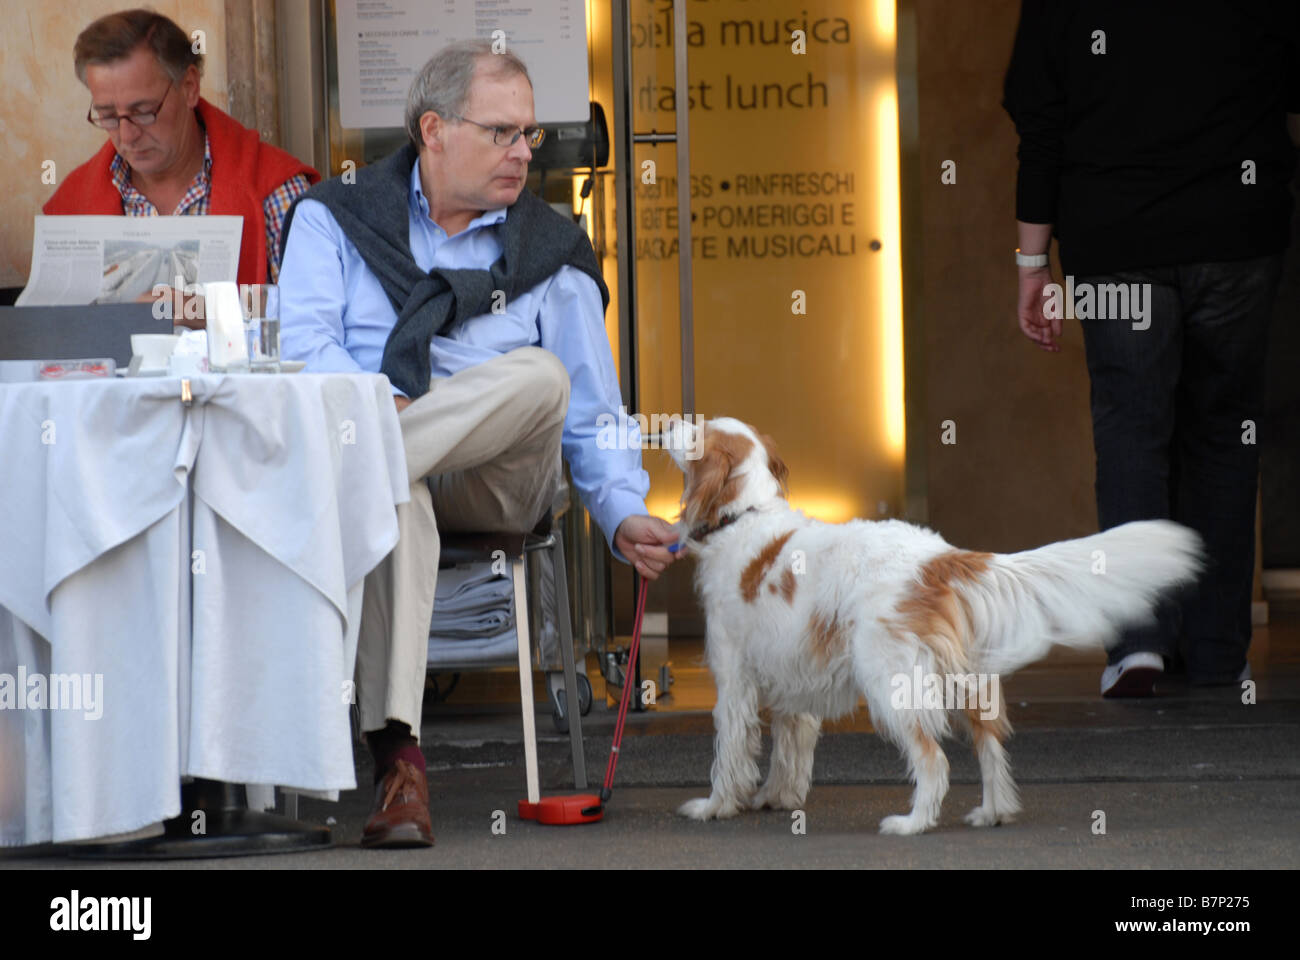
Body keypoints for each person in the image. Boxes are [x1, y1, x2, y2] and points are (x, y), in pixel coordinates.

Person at [277, 40, 679, 847]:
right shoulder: (335, 219)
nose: (523, 152)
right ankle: (400, 764)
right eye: (501, 132)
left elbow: (591, 406)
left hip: (500, 473)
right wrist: (375, 400)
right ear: (433, 129)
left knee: (536, 375)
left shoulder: (549, 247)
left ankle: (376, 454)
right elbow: (301, 346)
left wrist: (621, 511)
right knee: (400, 490)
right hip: (396, 461)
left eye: (528, 134)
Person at [1003, 1, 1300, 696]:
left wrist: (1030, 264)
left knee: (1132, 431)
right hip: (1237, 234)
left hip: (1114, 240)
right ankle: (1220, 649)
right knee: (1224, 438)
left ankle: (1137, 645)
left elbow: (1039, 121)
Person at [43, 8, 319, 296]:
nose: (127, 136)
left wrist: (208, 311)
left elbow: (309, 317)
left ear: (189, 87)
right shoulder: (72, 205)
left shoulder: (273, 188)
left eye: (143, 112)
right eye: (108, 116)